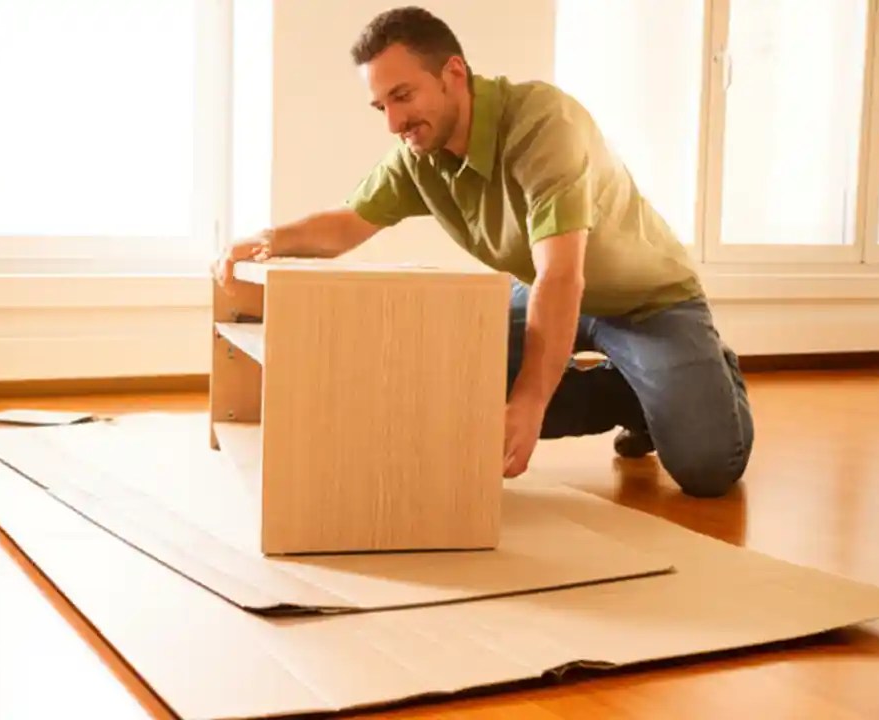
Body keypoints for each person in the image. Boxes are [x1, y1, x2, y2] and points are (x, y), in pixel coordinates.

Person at [211, 6, 753, 497]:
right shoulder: (418, 155)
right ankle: (632, 396)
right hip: (550, 291)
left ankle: (710, 369)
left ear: (453, 74)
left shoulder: (543, 122)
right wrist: (269, 238)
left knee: (708, 466)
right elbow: (348, 224)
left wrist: (530, 401)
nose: (393, 122)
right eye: (381, 105)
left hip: (646, 301)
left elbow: (563, 276)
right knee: (435, 366)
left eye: (403, 96)